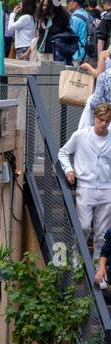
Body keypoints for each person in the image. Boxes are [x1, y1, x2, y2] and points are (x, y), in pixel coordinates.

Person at [59, 102, 111, 243]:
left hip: (107, 188)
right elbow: (63, 152)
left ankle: (97, 265)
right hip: (85, 186)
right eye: (101, 120)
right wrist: (68, 169)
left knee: (102, 233)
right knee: (83, 227)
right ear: (94, 118)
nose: (103, 124)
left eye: (107, 121)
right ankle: (76, 261)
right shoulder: (81, 135)